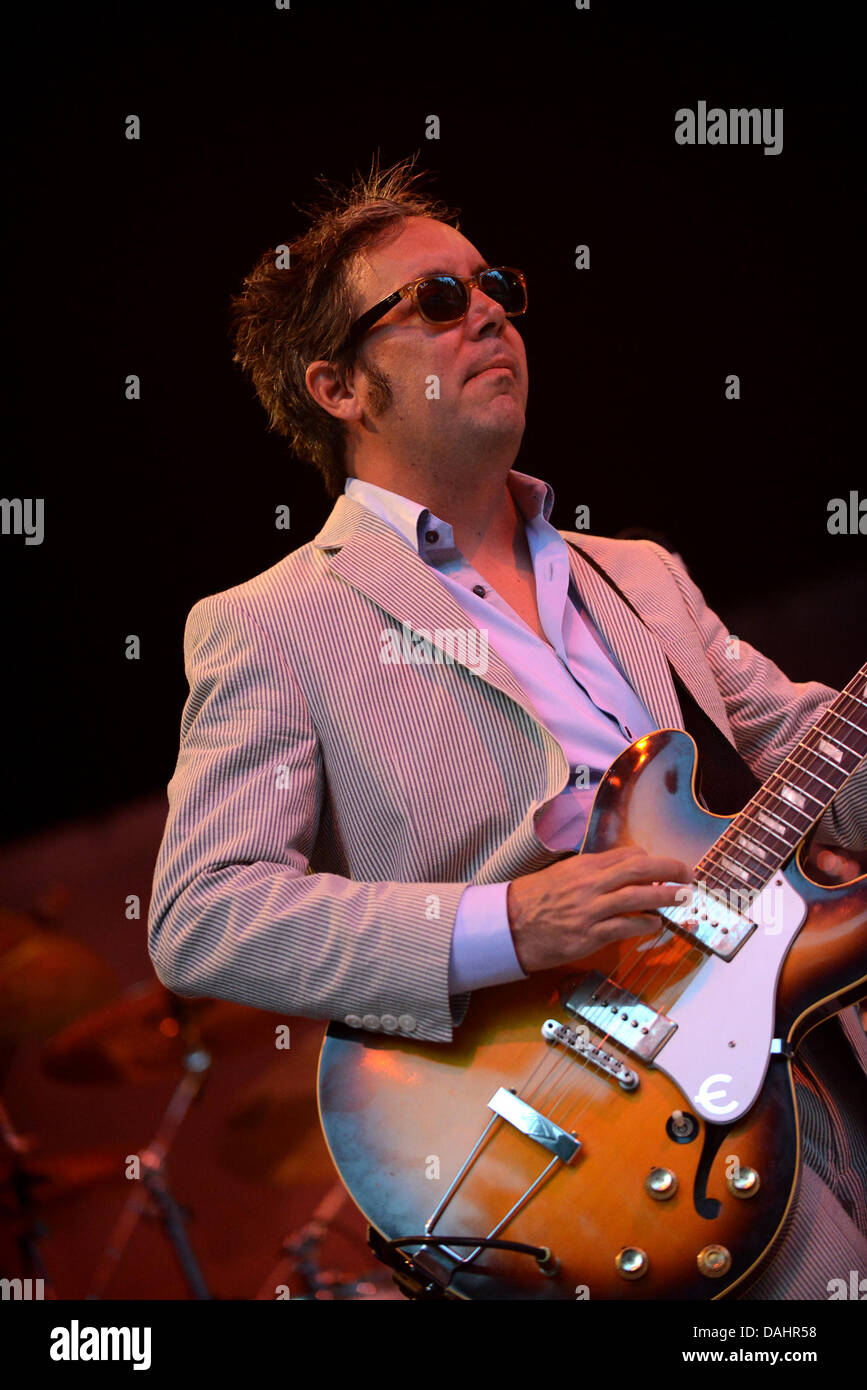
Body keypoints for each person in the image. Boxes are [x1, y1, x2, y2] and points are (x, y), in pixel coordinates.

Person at [147, 155, 867, 1299]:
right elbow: (202, 915)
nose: (487, 310)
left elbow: (812, 752)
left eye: (493, 287)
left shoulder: (638, 571)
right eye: (437, 300)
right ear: (338, 386)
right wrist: (513, 922)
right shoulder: (271, 623)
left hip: (820, 1061)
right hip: (588, 1145)